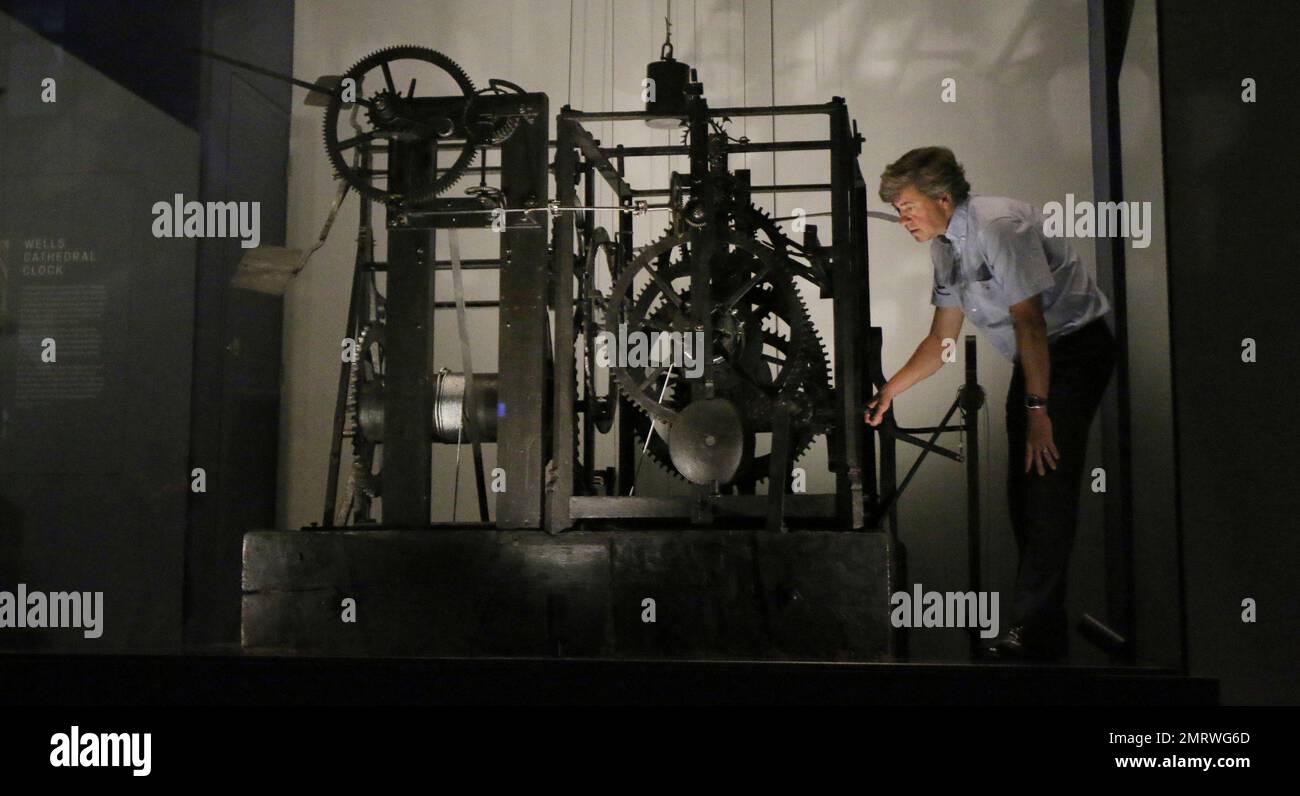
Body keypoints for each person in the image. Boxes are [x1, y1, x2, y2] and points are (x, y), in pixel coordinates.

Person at [865, 146, 1117, 661]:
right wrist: (890, 390)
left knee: (1046, 484)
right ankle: (1043, 631)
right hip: (1038, 360)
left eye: (908, 206)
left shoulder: (998, 228)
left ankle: (1030, 627)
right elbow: (943, 341)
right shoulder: (945, 248)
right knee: (1024, 494)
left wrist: (1039, 411)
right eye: (897, 209)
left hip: (1075, 350)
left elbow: (1031, 321)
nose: (902, 218)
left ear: (942, 198)